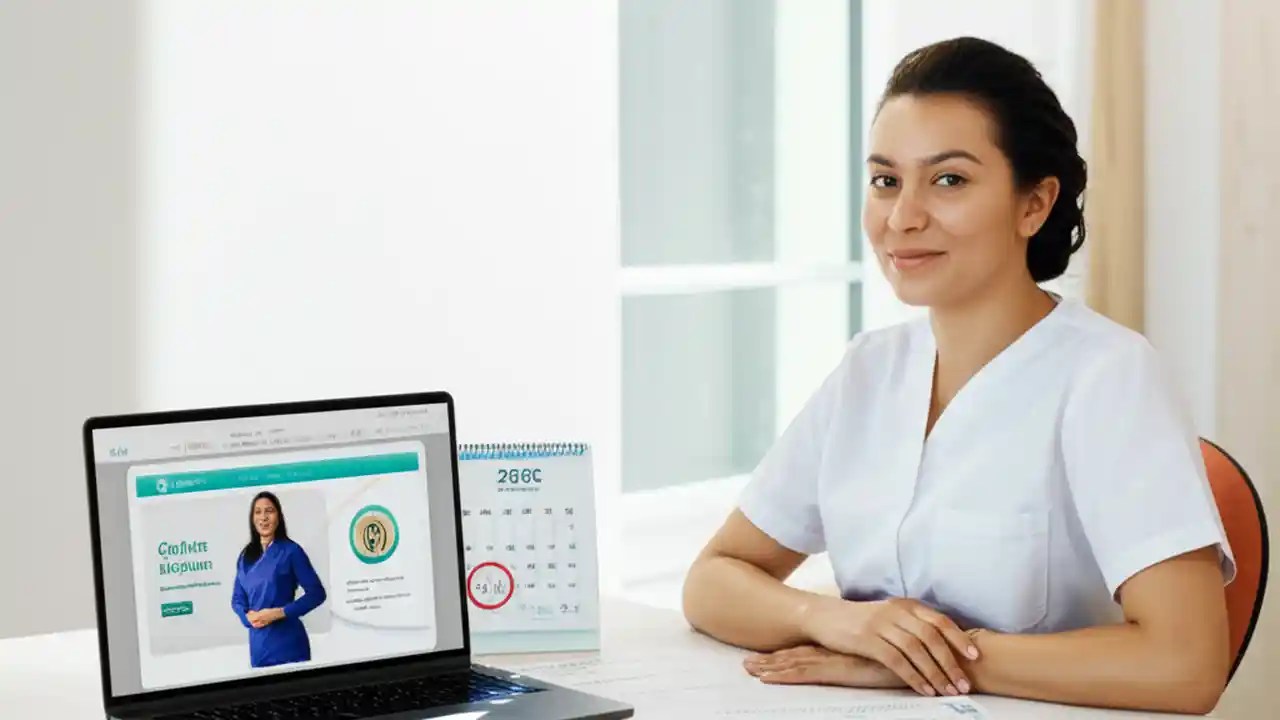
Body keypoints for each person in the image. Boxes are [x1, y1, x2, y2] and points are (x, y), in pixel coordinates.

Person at [682, 36, 1235, 716]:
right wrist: (841, 622)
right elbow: (712, 581)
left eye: (949, 180)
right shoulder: (870, 369)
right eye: (886, 180)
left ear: (1033, 205)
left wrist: (930, 660)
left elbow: (1186, 665)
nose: (903, 218)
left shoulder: (1107, 376)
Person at [231, 491, 327, 668]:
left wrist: (279, 613)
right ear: (252, 519)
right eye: (258, 512)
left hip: (288, 644)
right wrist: (247, 618)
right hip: (259, 646)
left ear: (279, 516)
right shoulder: (246, 556)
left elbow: (317, 593)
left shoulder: (291, 551)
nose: (264, 517)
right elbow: (237, 599)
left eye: (269, 511)